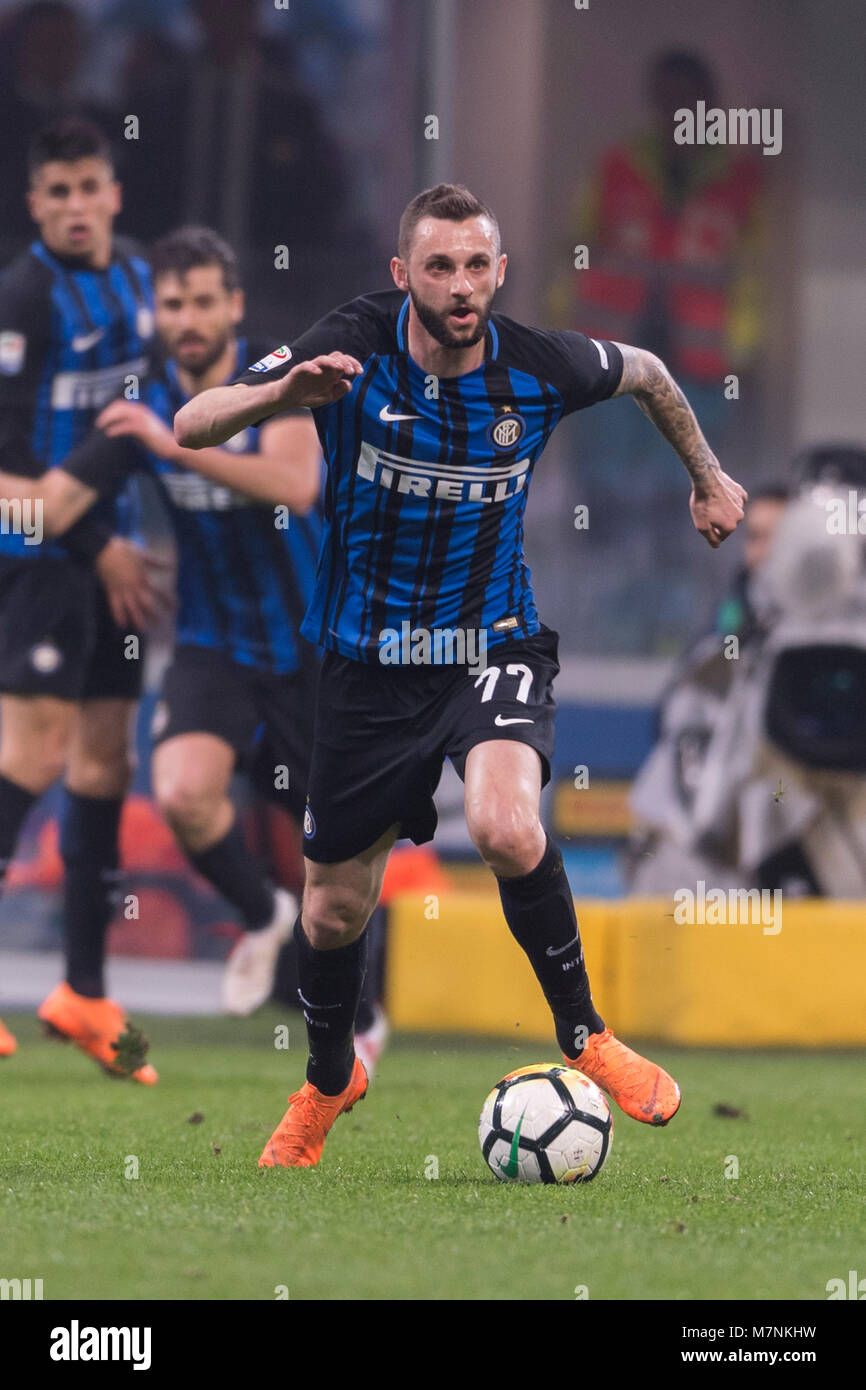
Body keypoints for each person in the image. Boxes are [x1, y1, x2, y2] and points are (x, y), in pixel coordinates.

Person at [174, 183, 747, 1170]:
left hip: (491, 641)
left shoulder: (539, 367)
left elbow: (650, 372)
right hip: (366, 663)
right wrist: (277, 396)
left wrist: (706, 474)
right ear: (402, 275)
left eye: (475, 265)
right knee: (331, 911)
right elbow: (192, 420)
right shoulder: (350, 345)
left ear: (499, 271)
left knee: (504, 822)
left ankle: (584, 1035)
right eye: (437, 267)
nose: (459, 285)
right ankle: (326, 1080)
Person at [0, 225, 324, 1017]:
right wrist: (91, 537)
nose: (188, 318)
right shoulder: (141, 398)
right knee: (180, 792)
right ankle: (261, 915)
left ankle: (356, 1018)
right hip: (213, 644)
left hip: (317, 644)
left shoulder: (278, 372)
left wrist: (174, 448)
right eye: (173, 303)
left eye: (204, 301)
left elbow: (294, 485)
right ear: (156, 311)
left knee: (334, 859)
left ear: (234, 305)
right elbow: (45, 510)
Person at [0, 117, 160, 1075]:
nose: (71, 206)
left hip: (113, 558)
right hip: (39, 552)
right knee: (34, 751)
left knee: (104, 765)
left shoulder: (142, 279)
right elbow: (14, 465)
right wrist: (97, 541)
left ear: (113, 193)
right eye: (53, 192)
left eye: (85, 187)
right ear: (34, 204)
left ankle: (86, 993)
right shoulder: (21, 298)